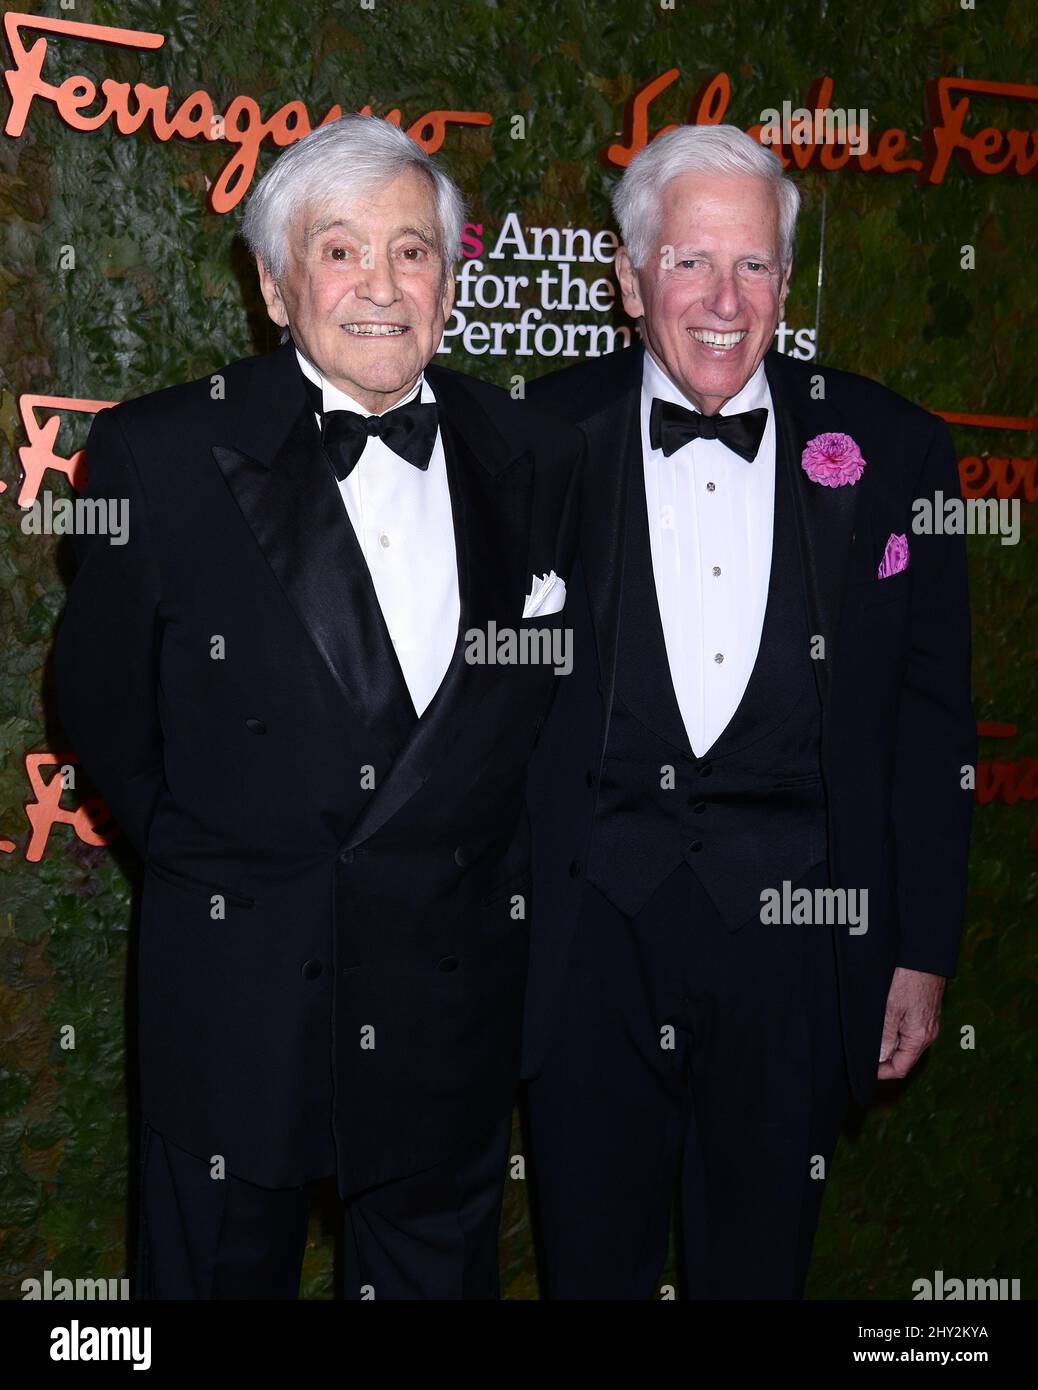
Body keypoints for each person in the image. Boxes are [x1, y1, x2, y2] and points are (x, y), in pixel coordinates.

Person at [54, 113, 579, 1300]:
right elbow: (98, 699)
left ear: (450, 274)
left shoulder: (534, 453)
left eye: (413, 250)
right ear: (275, 287)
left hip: (451, 1006)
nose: (382, 286)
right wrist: (218, 857)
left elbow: (544, 734)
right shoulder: (162, 454)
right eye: (340, 251)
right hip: (243, 995)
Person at [522, 123, 974, 1299]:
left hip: (801, 940)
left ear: (785, 275)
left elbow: (932, 723)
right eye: (688, 263)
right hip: (586, 944)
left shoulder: (893, 448)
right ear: (628, 277)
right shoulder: (526, 440)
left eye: (755, 266)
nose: (725, 301)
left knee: (761, 1271)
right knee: (590, 1269)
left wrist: (921, 949)